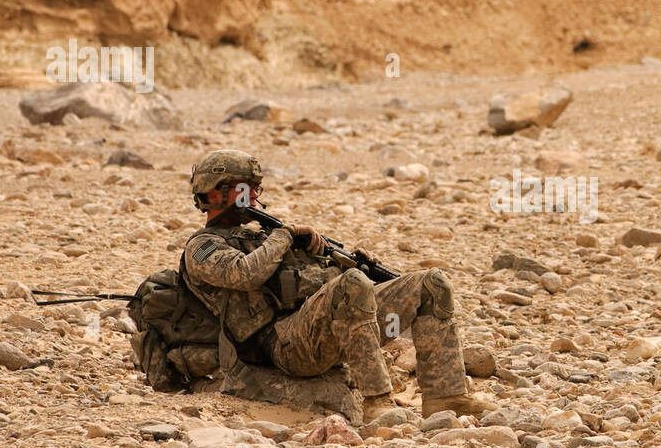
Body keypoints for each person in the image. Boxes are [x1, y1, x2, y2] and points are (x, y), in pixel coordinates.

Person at [181, 149, 496, 421]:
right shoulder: (203, 247)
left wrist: (339, 261)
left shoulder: (261, 237)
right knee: (352, 284)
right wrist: (285, 236)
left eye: (255, 189)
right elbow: (245, 274)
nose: (253, 198)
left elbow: (317, 287)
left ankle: (446, 396)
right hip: (279, 346)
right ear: (211, 193)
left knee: (431, 283)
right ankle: (377, 401)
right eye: (242, 190)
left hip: (325, 331)